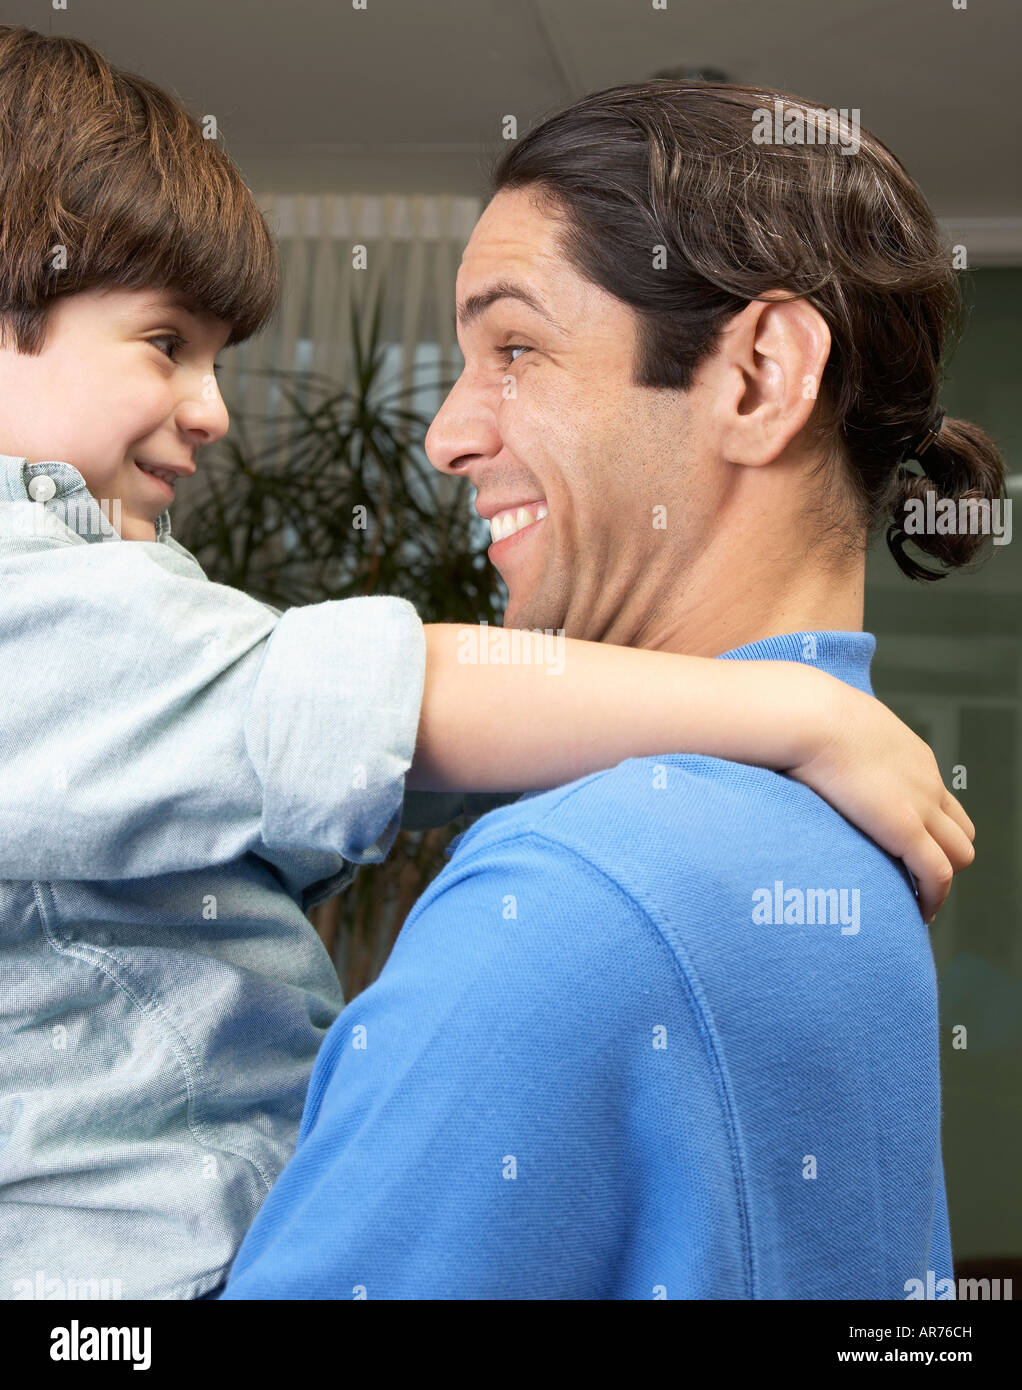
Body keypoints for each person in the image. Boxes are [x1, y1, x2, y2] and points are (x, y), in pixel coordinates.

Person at [0, 31, 970, 1302]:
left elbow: (354, 720)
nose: (443, 436)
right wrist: (786, 712)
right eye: (163, 344)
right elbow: (351, 717)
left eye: (513, 348)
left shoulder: (582, 891)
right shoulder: (842, 831)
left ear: (757, 376)